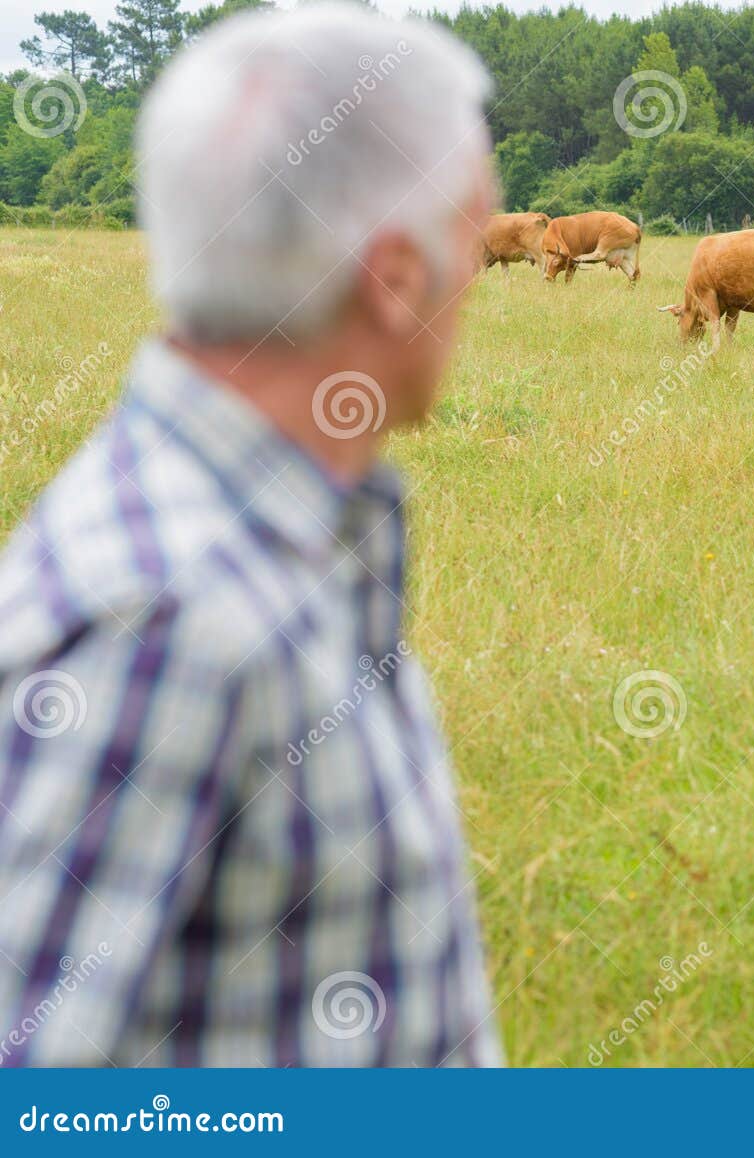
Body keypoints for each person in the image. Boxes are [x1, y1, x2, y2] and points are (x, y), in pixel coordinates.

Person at [0, 4, 502, 1066]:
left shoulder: (275, 542)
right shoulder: (167, 619)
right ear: (397, 276)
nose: (479, 281)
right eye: (473, 230)